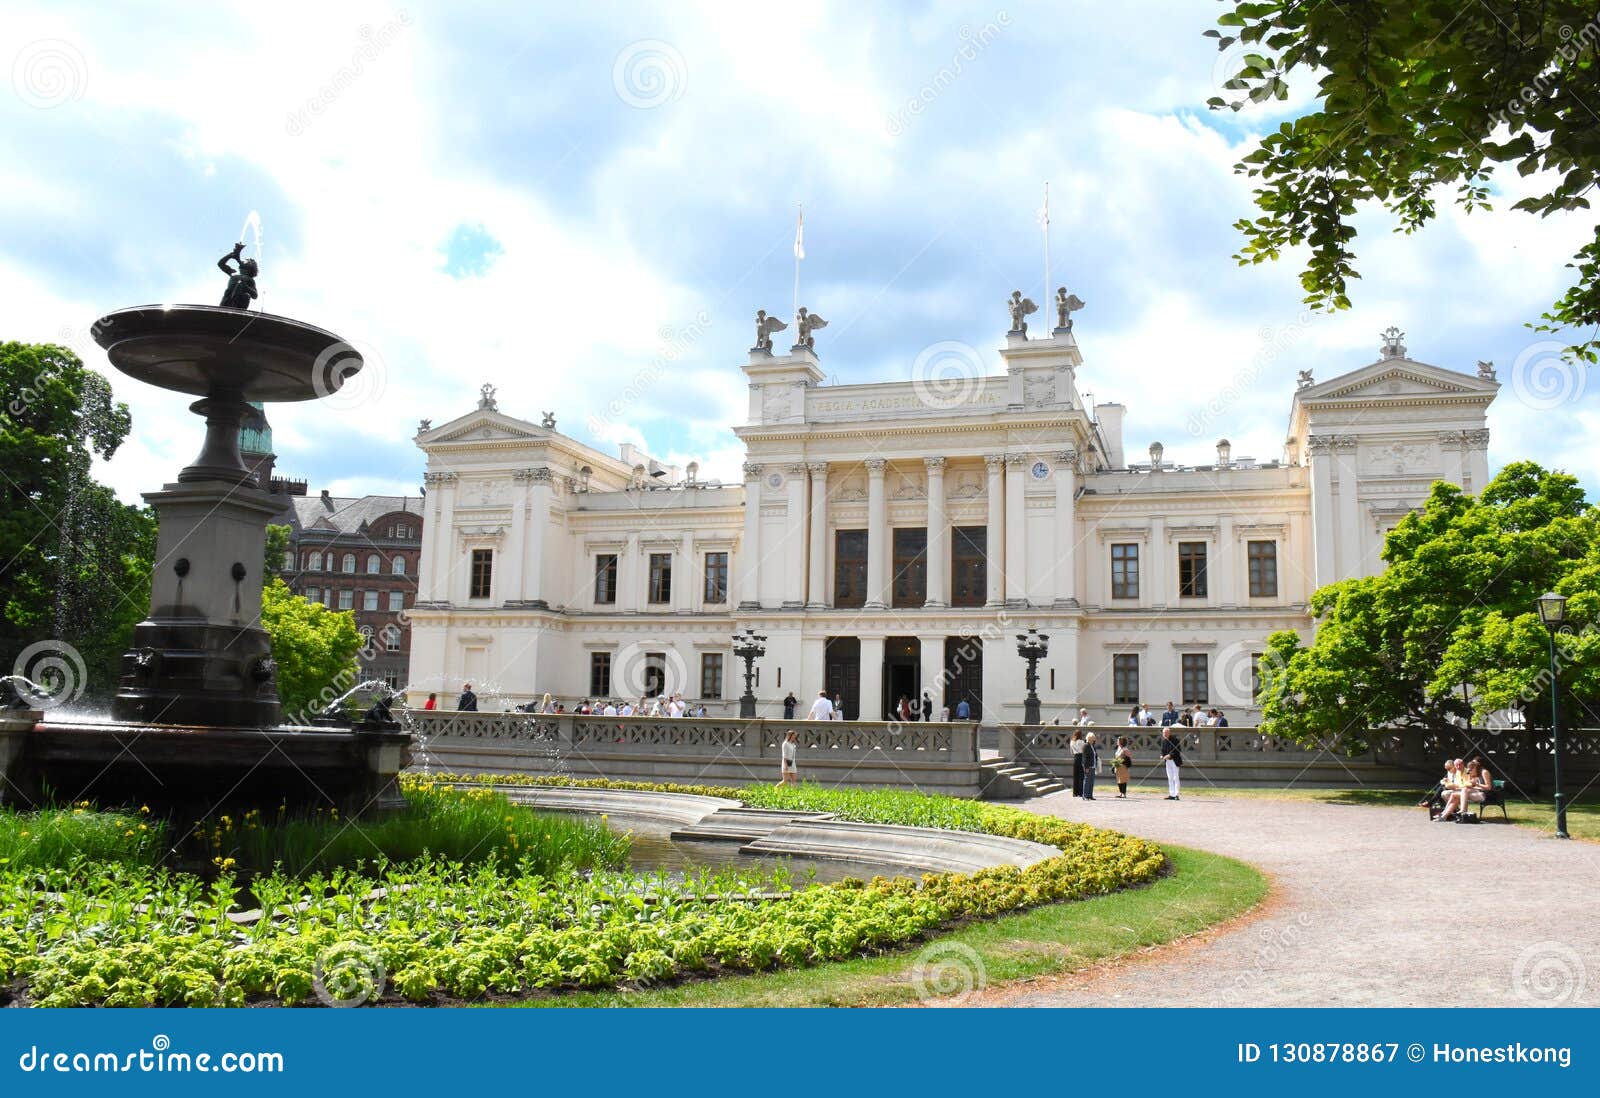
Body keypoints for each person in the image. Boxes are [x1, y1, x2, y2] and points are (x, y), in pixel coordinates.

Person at [1160, 727, 1183, 800]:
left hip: (1174, 761)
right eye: (1164, 733)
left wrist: (1170, 755)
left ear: (1169, 733)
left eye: (1166, 733)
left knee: (1175, 777)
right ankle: (1171, 794)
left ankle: (1176, 794)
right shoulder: (1164, 741)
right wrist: (1162, 755)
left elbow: (1178, 750)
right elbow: (1163, 751)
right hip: (1167, 762)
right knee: (1170, 778)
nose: (1165, 734)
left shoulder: (1175, 740)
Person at [1080, 732, 1100, 800]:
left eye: (1094, 739)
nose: (1094, 740)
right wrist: (1086, 767)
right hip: (1088, 766)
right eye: (1092, 739)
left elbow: (1095, 755)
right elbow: (1085, 758)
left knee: (1091, 781)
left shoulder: (1092, 746)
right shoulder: (1086, 746)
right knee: (1087, 780)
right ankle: (1085, 796)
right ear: (1089, 739)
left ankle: (1090, 795)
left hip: (1093, 765)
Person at [1070, 728, 1087, 797]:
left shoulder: (1071, 742)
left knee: (1075, 775)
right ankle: (1080, 792)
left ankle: (1075, 792)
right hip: (1080, 757)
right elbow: (1084, 750)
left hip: (1075, 757)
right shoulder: (1082, 742)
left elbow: (1071, 752)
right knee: (1081, 775)